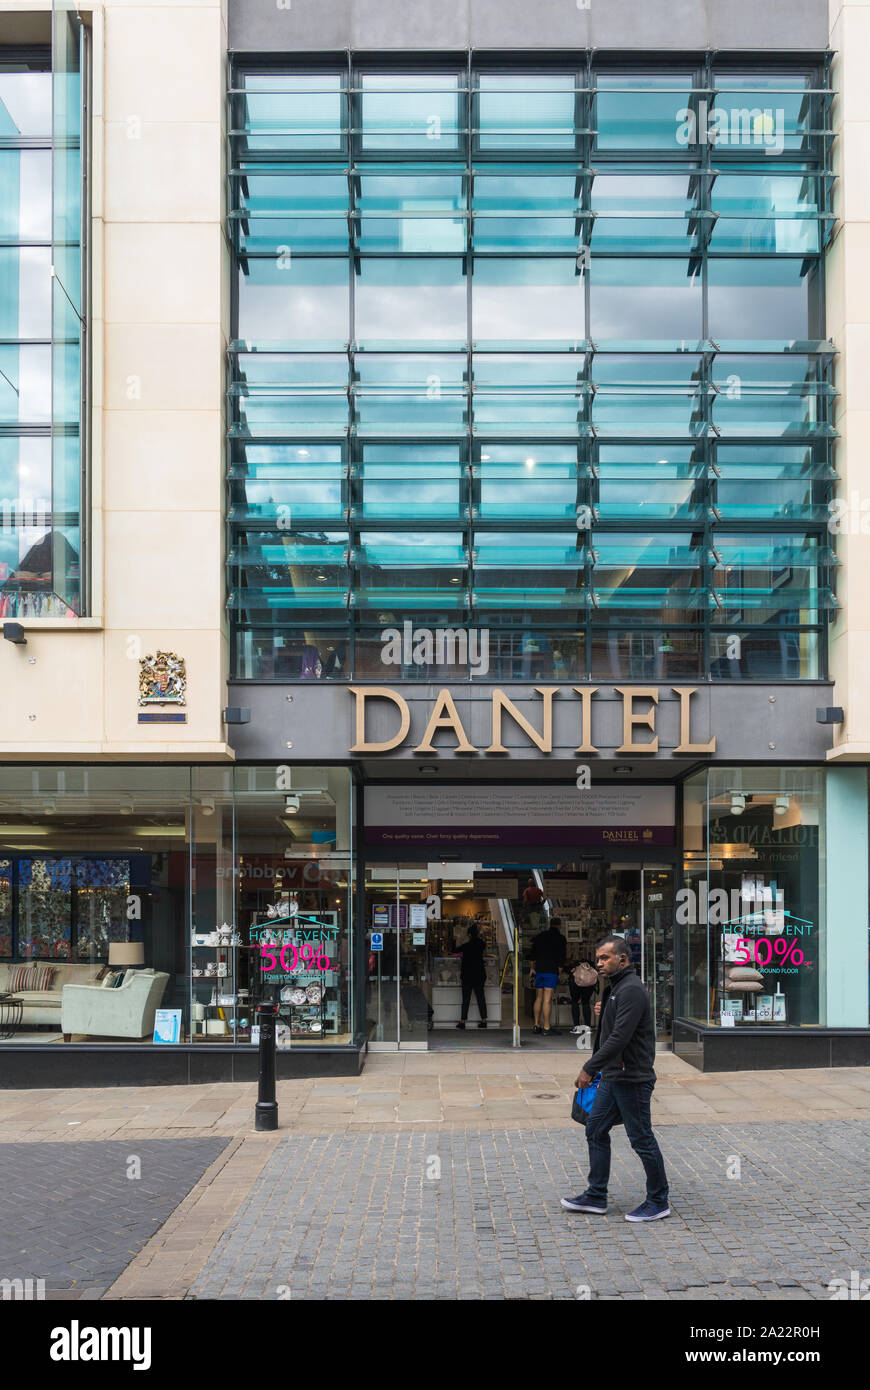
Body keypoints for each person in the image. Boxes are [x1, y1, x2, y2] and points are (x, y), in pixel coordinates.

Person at [561, 935, 671, 1223]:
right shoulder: (615, 989)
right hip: (613, 1076)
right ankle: (596, 1196)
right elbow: (614, 1028)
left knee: (641, 1139)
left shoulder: (631, 989)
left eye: (605, 958)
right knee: (595, 1129)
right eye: (597, 958)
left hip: (631, 1078)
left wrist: (589, 1067)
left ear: (623, 959)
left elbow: (620, 1038)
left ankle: (658, 1200)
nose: (599, 963)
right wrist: (605, 1009)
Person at [529, 916, 567, 1036]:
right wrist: (559, 970)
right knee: (547, 999)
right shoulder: (560, 938)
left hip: (539, 970)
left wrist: (532, 968)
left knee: (539, 998)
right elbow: (562, 956)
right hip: (551, 970)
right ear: (559, 925)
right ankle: (546, 1027)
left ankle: (536, 1025)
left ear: (550, 924)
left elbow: (532, 953)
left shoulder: (540, 936)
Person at [456, 923, 487, 1030]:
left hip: (467, 975)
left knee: (466, 999)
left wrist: (459, 938)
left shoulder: (466, 946)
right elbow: (482, 945)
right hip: (479, 974)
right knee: (481, 998)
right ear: (477, 934)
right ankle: (484, 1020)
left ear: (469, 935)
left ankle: (463, 1021)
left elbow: (454, 950)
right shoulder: (482, 944)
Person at [569, 955, 597, 1035]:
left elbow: (570, 972)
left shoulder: (575, 964)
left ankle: (576, 1027)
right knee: (586, 1003)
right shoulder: (590, 964)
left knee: (574, 1002)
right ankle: (588, 1027)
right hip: (589, 986)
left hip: (576, 985)